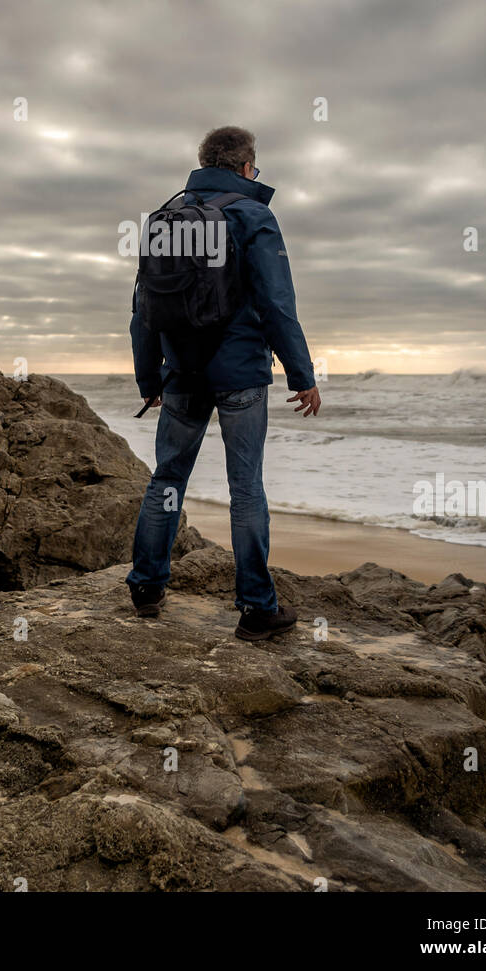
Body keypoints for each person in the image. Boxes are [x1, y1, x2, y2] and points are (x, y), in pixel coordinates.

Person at [127, 125, 321, 640]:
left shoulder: (164, 220)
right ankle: (257, 610)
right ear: (244, 166)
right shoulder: (254, 214)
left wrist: (150, 378)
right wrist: (301, 375)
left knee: (166, 479)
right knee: (246, 490)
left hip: (182, 373)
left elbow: (143, 310)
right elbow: (278, 304)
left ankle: (146, 586)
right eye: (254, 169)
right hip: (239, 374)